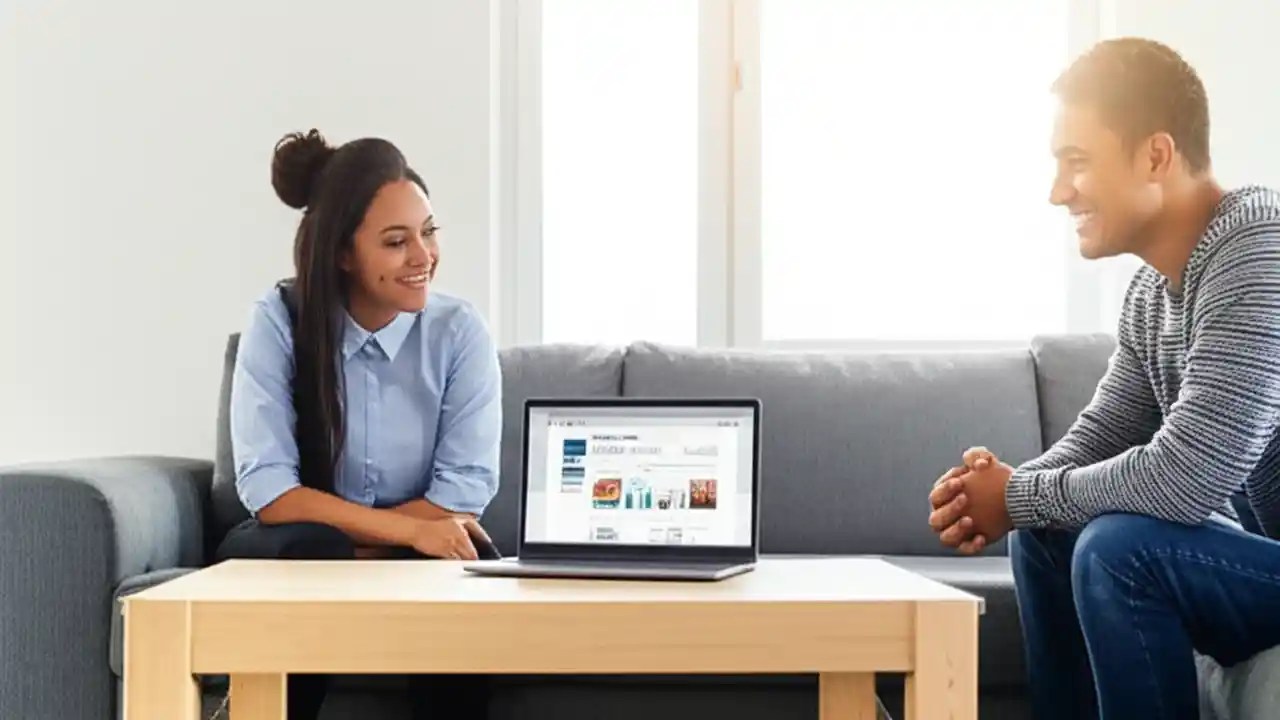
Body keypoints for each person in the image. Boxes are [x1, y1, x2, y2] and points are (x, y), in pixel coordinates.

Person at [926, 37, 1280, 720]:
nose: (1057, 192)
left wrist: (1019, 494)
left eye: (1076, 163)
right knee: (1044, 532)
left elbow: (1185, 478)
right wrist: (991, 493)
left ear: (1155, 154)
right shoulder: (1153, 292)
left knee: (1118, 551)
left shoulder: (1257, 248)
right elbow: (1101, 436)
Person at [217, 128, 502, 720]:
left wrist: (383, 552)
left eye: (428, 233)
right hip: (292, 547)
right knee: (311, 546)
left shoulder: (459, 333)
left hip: (412, 551)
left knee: (464, 555)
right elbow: (269, 492)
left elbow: (462, 494)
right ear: (344, 253)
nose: (423, 257)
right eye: (397, 242)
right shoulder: (278, 321)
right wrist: (401, 538)